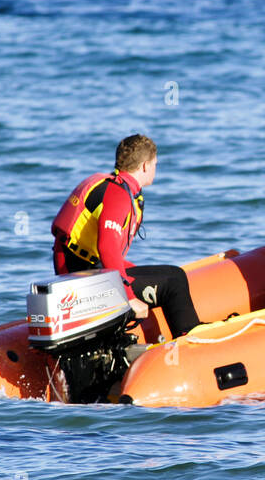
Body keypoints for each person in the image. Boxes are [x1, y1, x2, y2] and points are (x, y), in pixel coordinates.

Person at [50, 134, 202, 337]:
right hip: (84, 281)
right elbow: (107, 247)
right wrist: (128, 296)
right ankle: (190, 345)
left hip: (82, 273)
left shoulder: (107, 184)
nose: (156, 169)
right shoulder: (118, 195)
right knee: (173, 282)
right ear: (145, 166)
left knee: (173, 273)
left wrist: (126, 270)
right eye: (156, 164)